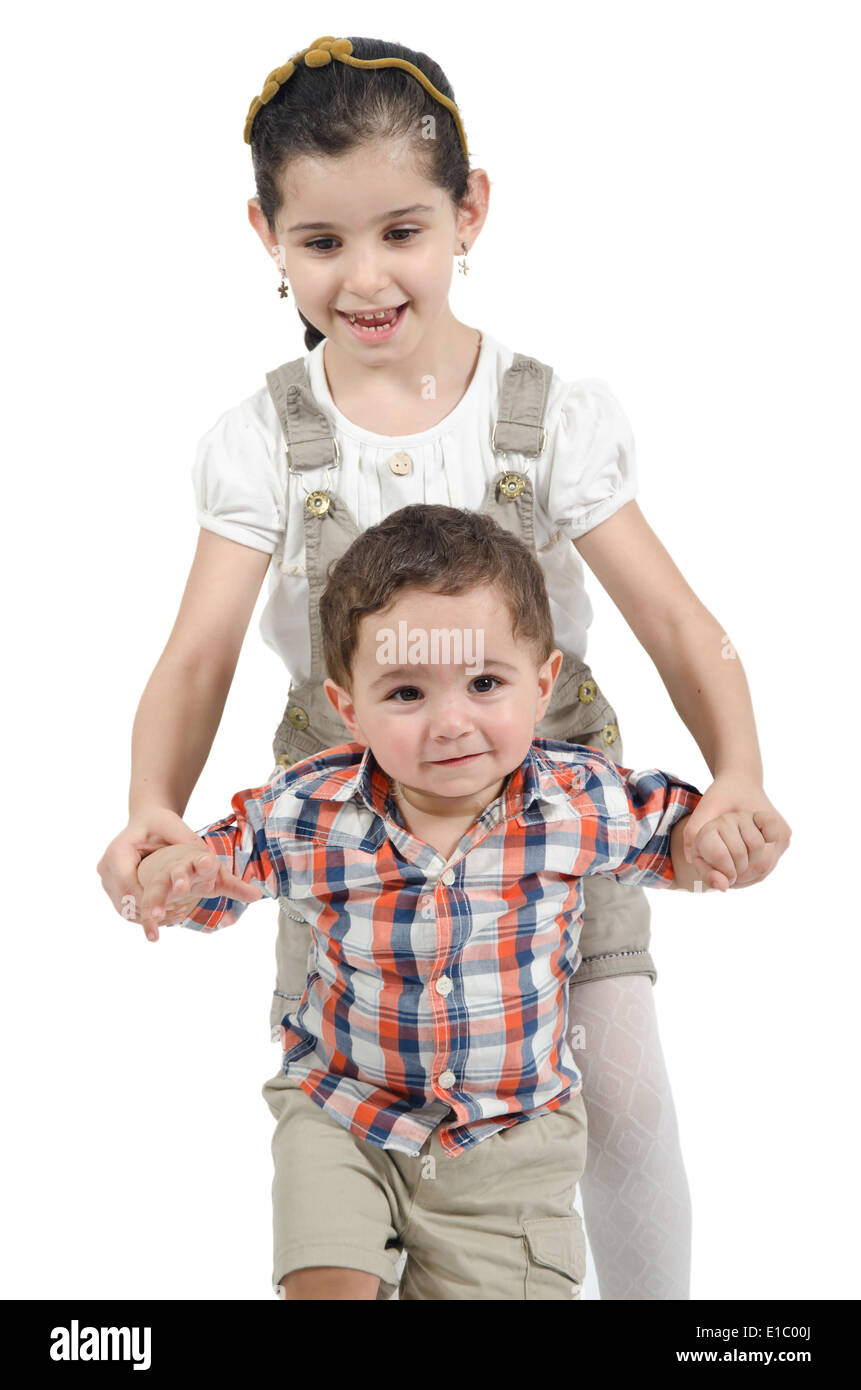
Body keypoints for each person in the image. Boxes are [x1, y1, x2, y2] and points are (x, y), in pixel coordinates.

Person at [97, 35, 791, 1300]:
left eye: (402, 229)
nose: (365, 277)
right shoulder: (265, 441)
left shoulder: (545, 418)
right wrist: (153, 807)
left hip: (553, 809)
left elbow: (684, 622)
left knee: (623, 1095)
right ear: (267, 233)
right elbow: (196, 652)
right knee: (354, 1087)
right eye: (320, 243)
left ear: (469, 211)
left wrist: (737, 774)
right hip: (350, 821)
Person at [137, 505, 777, 1302]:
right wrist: (175, 876)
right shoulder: (311, 807)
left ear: (542, 684)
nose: (450, 723)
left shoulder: (577, 800)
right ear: (348, 708)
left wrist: (725, 843)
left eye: (484, 683)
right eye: (405, 691)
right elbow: (218, 872)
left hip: (509, 1149)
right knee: (327, 1282)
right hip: (344, 1116)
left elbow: (679, 842)